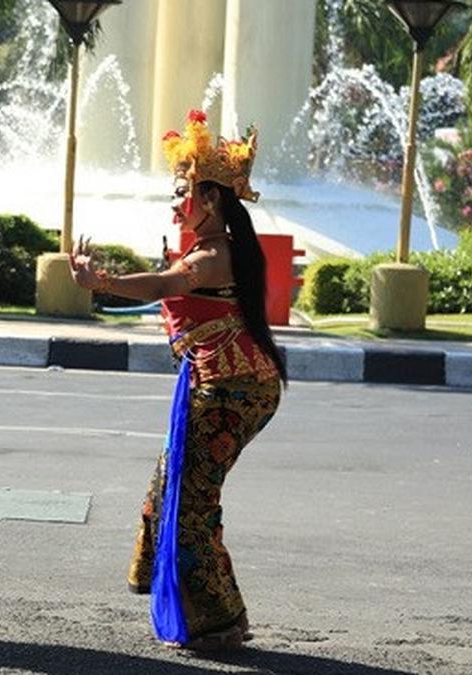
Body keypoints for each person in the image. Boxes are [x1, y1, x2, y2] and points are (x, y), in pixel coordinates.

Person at [69, 109, 285, 650]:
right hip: (217, 386)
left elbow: (164, 285)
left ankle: (221, 620)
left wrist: (102, 280)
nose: (174, 199)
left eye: (182, 189)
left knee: (190, 501)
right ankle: (201, 612)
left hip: (231, 390)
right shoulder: (207, 249)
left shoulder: (213, 256)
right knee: (169, 492)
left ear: (211, 199)